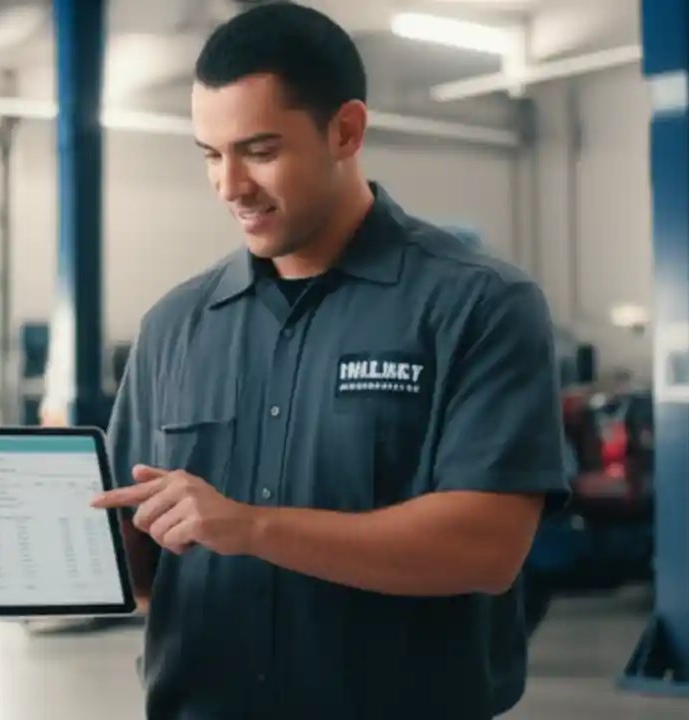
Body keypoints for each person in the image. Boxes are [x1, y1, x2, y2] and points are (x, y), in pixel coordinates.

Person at [90, 4, 569, 719]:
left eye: (258, 150)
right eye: (211, 155)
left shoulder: (478, 305)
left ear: (345, 130)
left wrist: (250, 526)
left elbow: (487, 546)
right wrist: (47, 554)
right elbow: (154, 570)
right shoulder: (175, 326)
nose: (229, 185)